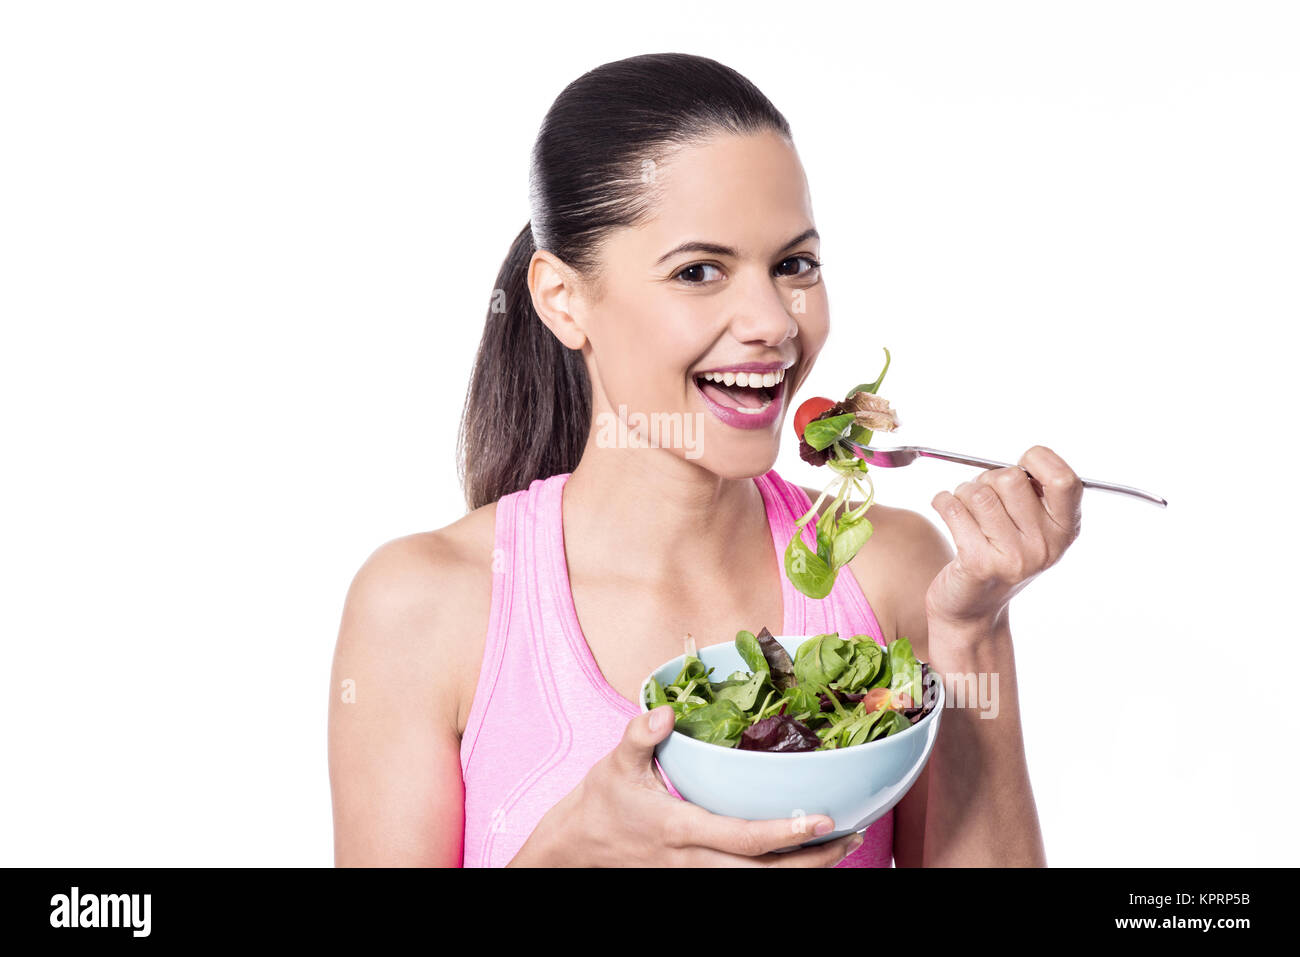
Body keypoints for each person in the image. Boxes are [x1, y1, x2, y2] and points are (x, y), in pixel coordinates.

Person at [328, 52, 1083, 867]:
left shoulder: (893, 574)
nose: (772, 321)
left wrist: (974, 631)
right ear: (562, 300)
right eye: (698, 271)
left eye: (794, 265)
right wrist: (563, 856)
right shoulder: (422, 608)